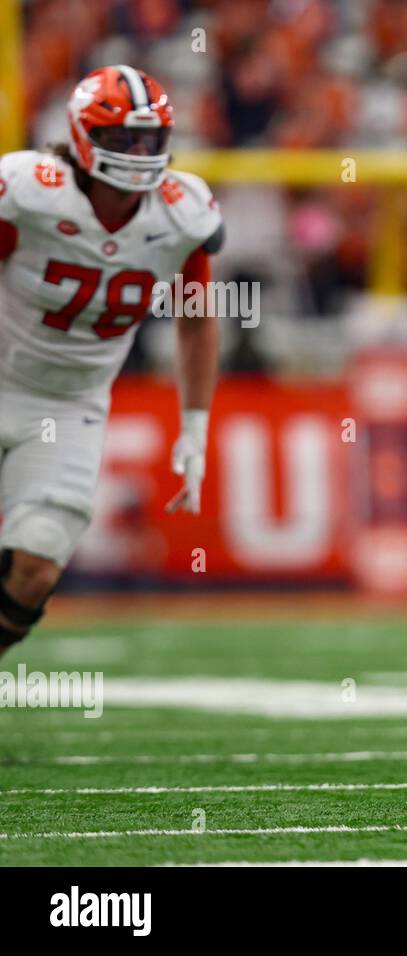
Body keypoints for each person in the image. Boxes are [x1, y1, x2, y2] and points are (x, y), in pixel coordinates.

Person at [0, 66, 222, 657]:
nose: (140, 153)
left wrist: (194, 427)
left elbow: (197, 317)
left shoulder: (180, 211)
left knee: (37, 566)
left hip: (71, 404)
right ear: (81, 136)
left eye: (151, 140)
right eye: (124, 138)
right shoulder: (30, 191)